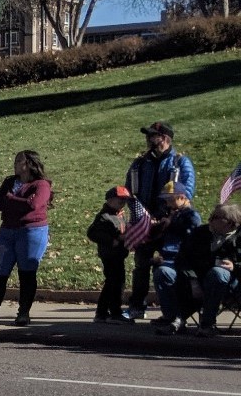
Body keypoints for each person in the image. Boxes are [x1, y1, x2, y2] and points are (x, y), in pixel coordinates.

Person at [124, 122, 195, 319]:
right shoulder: (139, 164)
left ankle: (172, 311)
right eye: (148, 136)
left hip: (170, 223)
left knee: (170, 265)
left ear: (165, 138)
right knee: (140, 266)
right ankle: (136, 306)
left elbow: (186, 192)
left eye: (153, 136)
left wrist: (169, 217)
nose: (148, 139)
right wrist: (141, 218)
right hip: (145, 224)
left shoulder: (180, 162)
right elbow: (130, 191)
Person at [0, 150, 52, 326]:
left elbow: (34, 205)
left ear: (28, 164)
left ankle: (23, 313)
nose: (15, 164)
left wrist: (10, 199)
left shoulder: (41, 185)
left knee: (27, 272)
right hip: (7, 231)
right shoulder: (10, 181)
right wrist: (17, 202)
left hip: (31, 232)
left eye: (19, 161)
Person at [177, 202, 240, 337]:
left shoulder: (239, 237)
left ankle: (206, 324)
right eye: (211, 215)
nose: (210, 219)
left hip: (233, 284)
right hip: (199, 280)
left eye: (216, 217)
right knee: (164, 272)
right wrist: (193, 279)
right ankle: (174, 320)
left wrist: (235, 266)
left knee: (218, 273)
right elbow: (183, 257)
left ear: (231, 223)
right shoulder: (200, 233)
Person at [149, 187, 204, 335]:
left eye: (170, 199)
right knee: (158, 270)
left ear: (181, 197)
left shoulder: (192, 216)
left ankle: (174, 317)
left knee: (163, 273)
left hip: (180, 261)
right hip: (167, 257)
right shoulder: (174, 214)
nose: (167, 203)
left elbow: (191, 237)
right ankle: (171, 315)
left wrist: (170, 224)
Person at [87, 187, 135, 324]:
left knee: (116, 282)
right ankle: (112, 312)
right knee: (113, 283)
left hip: (119, 255)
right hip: (110, 255)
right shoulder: (104, 217)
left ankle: (106, 312)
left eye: (124, 200)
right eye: (120, 200)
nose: (123, 202)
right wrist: (112, 240)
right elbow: (92, 233)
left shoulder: (119, 214)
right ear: (110, 200)